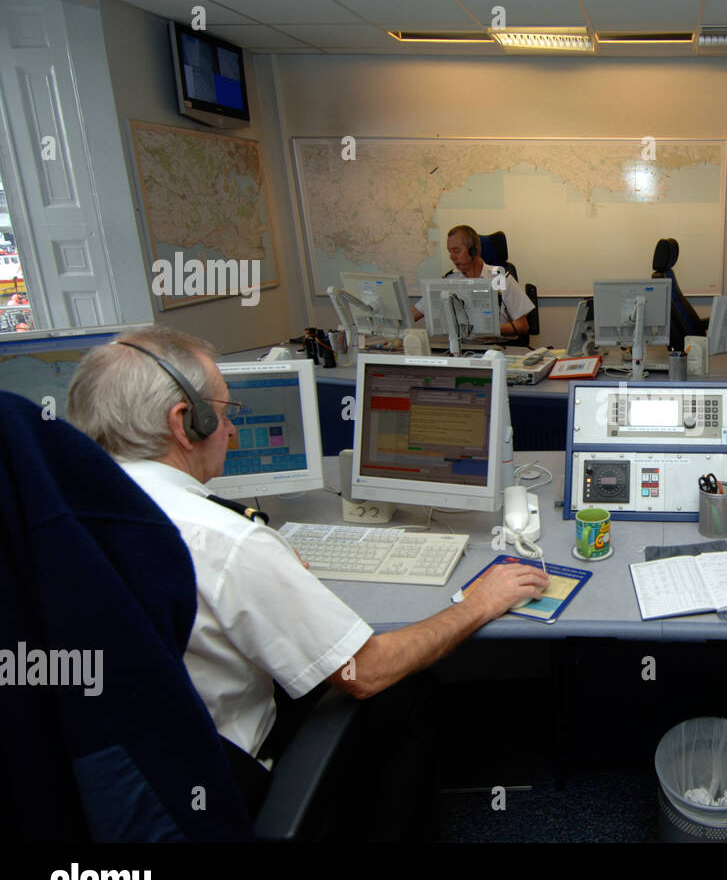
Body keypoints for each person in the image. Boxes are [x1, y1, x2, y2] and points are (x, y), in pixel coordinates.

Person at [65, 326, 549, 810]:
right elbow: (367, 670)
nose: (231, 430)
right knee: (407, 690)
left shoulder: (56, 512)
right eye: (224, 412)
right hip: (219, 777)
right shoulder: (226, 540)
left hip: (111, 776)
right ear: (183, 423)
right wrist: (481, 602)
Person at [414, 225, 534, 341]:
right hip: (463, 349)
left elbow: (523, 326)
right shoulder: (449, 281)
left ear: (474, 250)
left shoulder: (501, 279)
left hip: (499, 348)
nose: (452, 257)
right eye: (449, 251)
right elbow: (415, 312)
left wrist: (490, 329)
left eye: (456, 251)